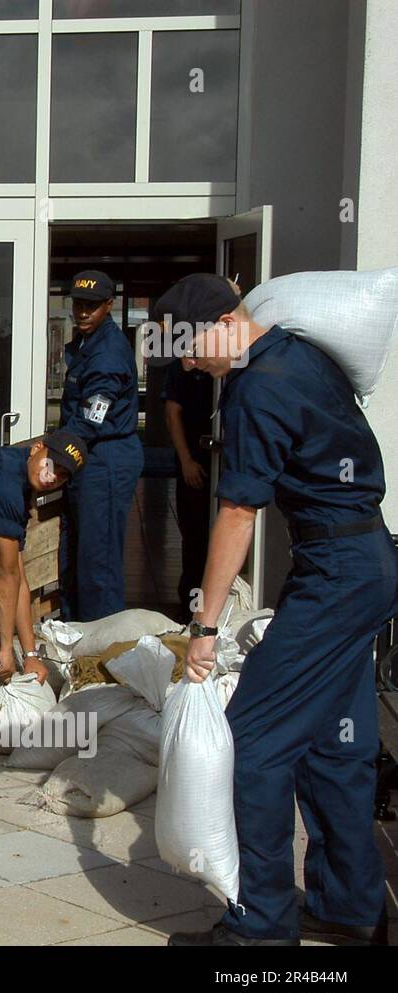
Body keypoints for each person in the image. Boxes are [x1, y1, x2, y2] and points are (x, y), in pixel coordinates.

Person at [156, 273, 396, 947]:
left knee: (252, 742)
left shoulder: (256, 389)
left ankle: (260, 925)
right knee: (335, 743)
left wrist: (204, 627)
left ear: (218, 325)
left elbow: (237, 512)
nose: (186, 362)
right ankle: (351, 908)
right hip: (369, 560)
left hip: (336, 576)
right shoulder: (297, 350)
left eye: (187, 346)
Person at [56, 269, 144, 621]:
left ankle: (103, 644)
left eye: (91, 306)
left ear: (109, 305)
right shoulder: (87, 343)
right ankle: (77, 630)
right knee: (78, 552)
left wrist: (55, 453)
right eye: (78, 304)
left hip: (106, 457)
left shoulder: (107, 353)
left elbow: (92, 417)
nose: (82, 312)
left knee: (99, 559)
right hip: (92, 454)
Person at [0, 431, 87, 684]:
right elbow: (6, 576)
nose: (52, 477)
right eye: (51, 465)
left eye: (63, 476)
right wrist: (6, 650)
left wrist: (30, 654)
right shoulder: (7, 482)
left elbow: (18, 576)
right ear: (36, 448)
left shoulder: (21, 474)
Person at [161, 356, 215, 614]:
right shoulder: (183, 365)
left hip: (227, 466)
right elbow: (173, 413)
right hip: (196, 464)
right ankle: (190, 612)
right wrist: (186, 461)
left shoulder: (238, 361)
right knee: (195, 541)